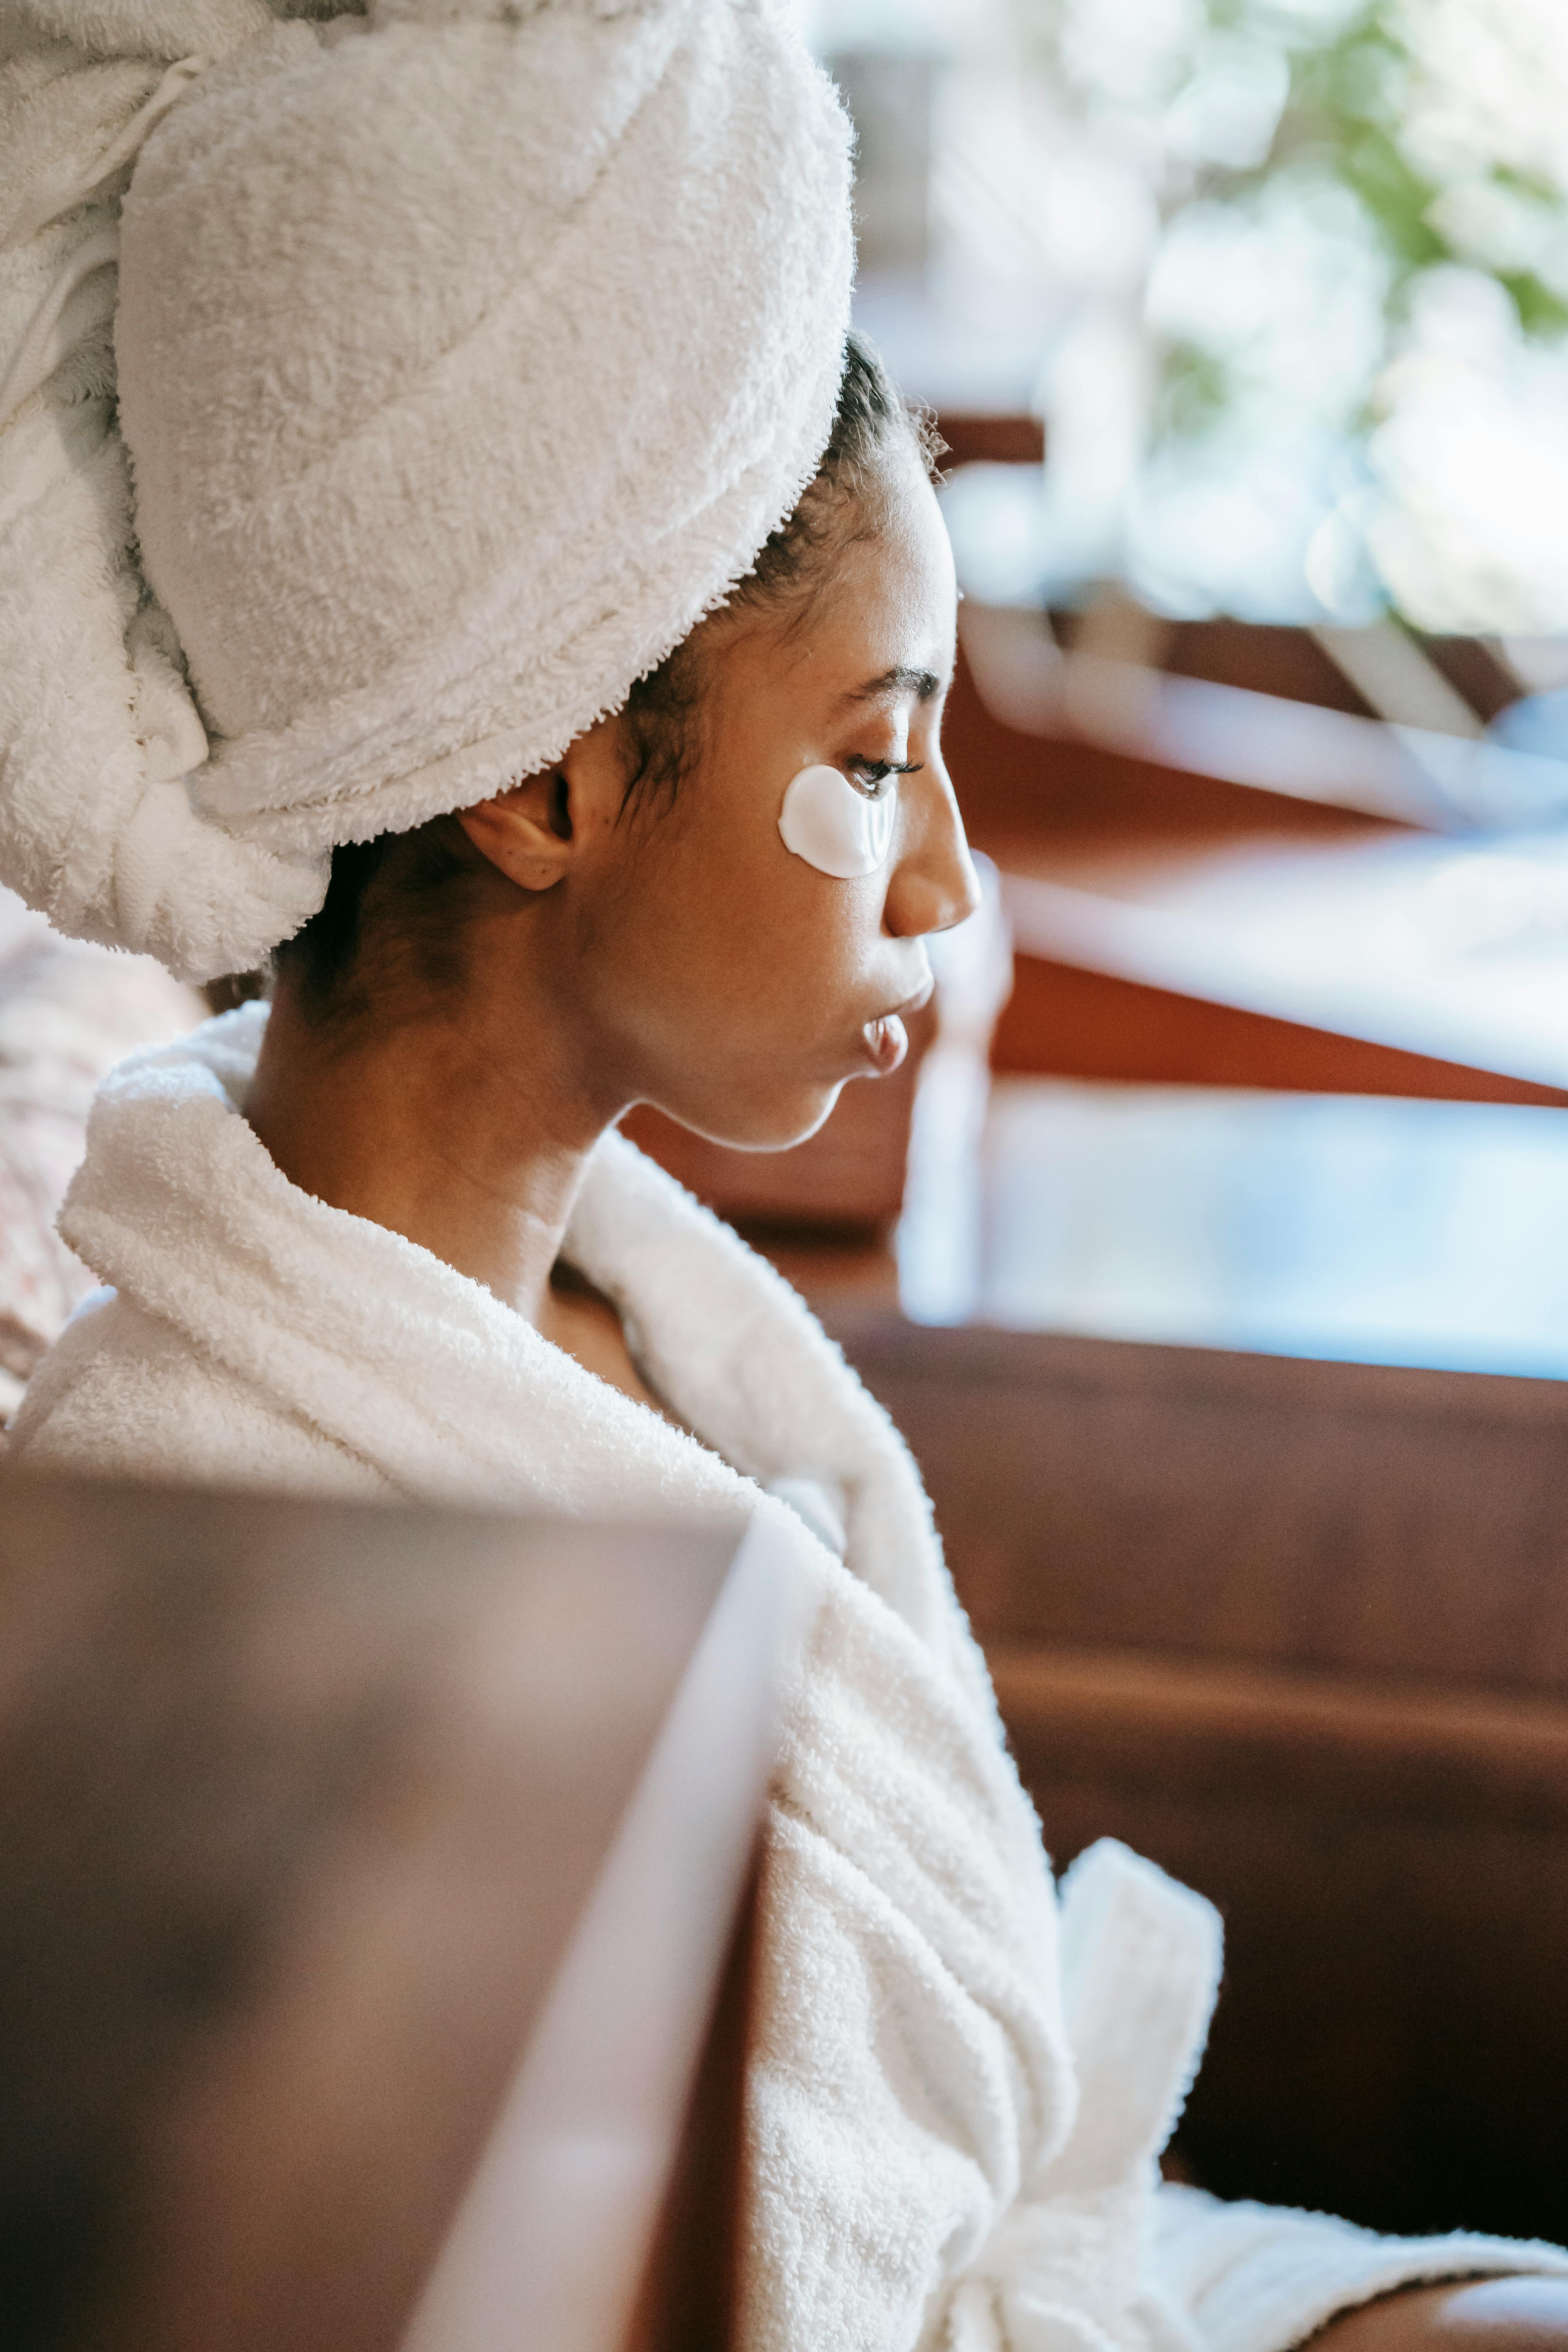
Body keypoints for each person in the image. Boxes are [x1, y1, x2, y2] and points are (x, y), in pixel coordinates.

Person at [4, 5, 1567, 2347]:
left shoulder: (637, 1307)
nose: (944, 882)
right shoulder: (212, 1557)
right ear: (539, 780)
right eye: (876, 756)